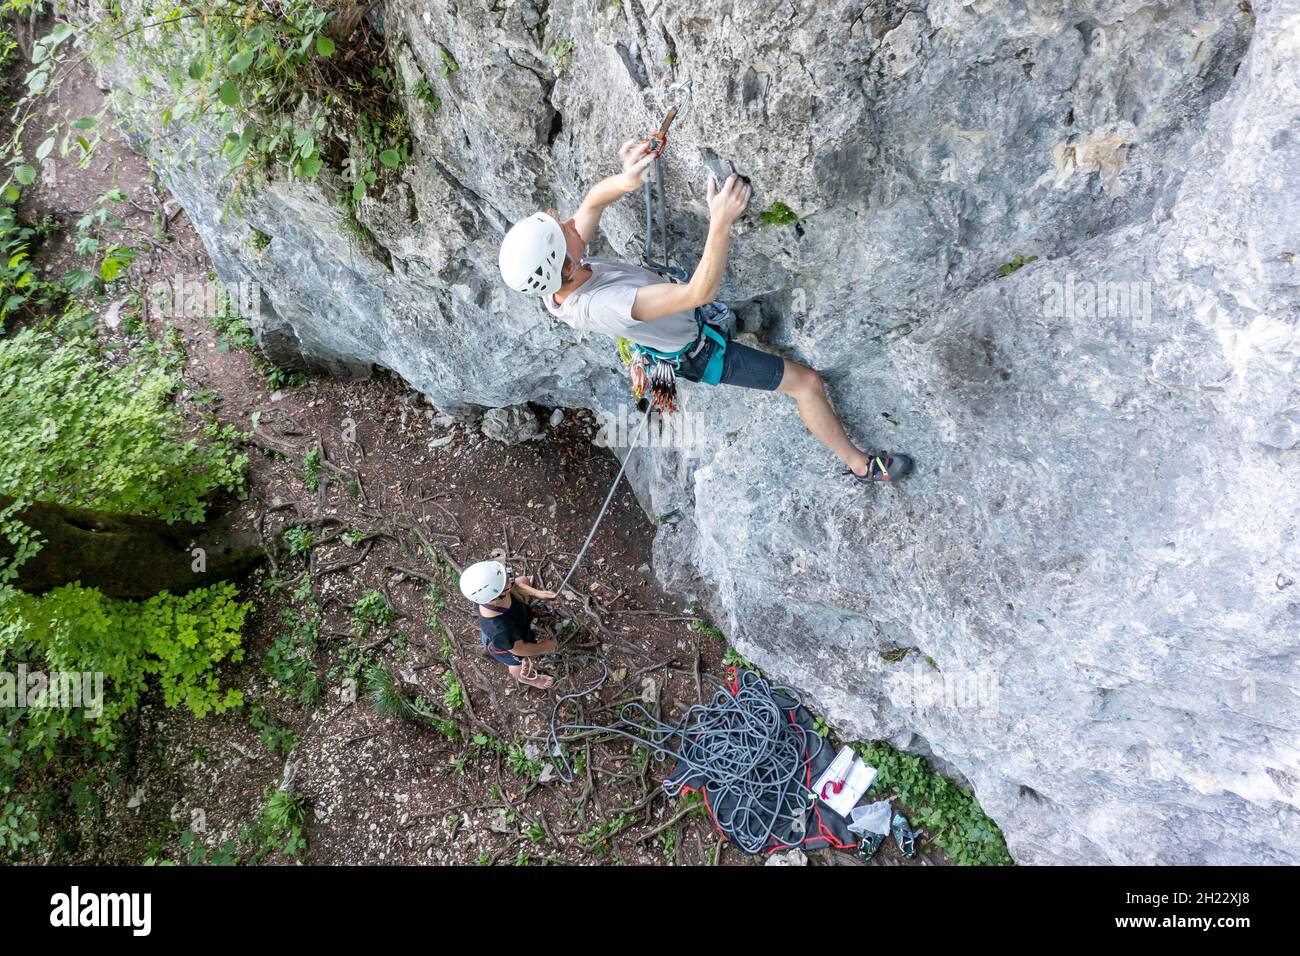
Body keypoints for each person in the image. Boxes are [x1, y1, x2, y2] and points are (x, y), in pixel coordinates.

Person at [496, 138, 912, 482]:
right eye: (562, 233)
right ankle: (860, 465)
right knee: (806, 384)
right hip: (700, 353)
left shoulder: (560, 276)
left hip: (669, 334)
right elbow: (698, 291)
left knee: (680, 337)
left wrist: (626, 180)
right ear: (564, 266)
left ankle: (682, 368)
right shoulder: (603, 305)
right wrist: (721, 220)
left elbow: (589, 205)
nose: (569, 225)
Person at [459, 560, 559, 689]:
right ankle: (531, 680)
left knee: (522, 580)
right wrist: (544, 646)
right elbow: (520, 649)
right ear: (496, 598)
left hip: (517, 616)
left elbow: (514, 586)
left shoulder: (495, 592)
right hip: (506, 645)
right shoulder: (501, 631)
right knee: (517, 666)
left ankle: (527, 608)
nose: (509, 580)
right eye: (506, 581)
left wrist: (538, 594)